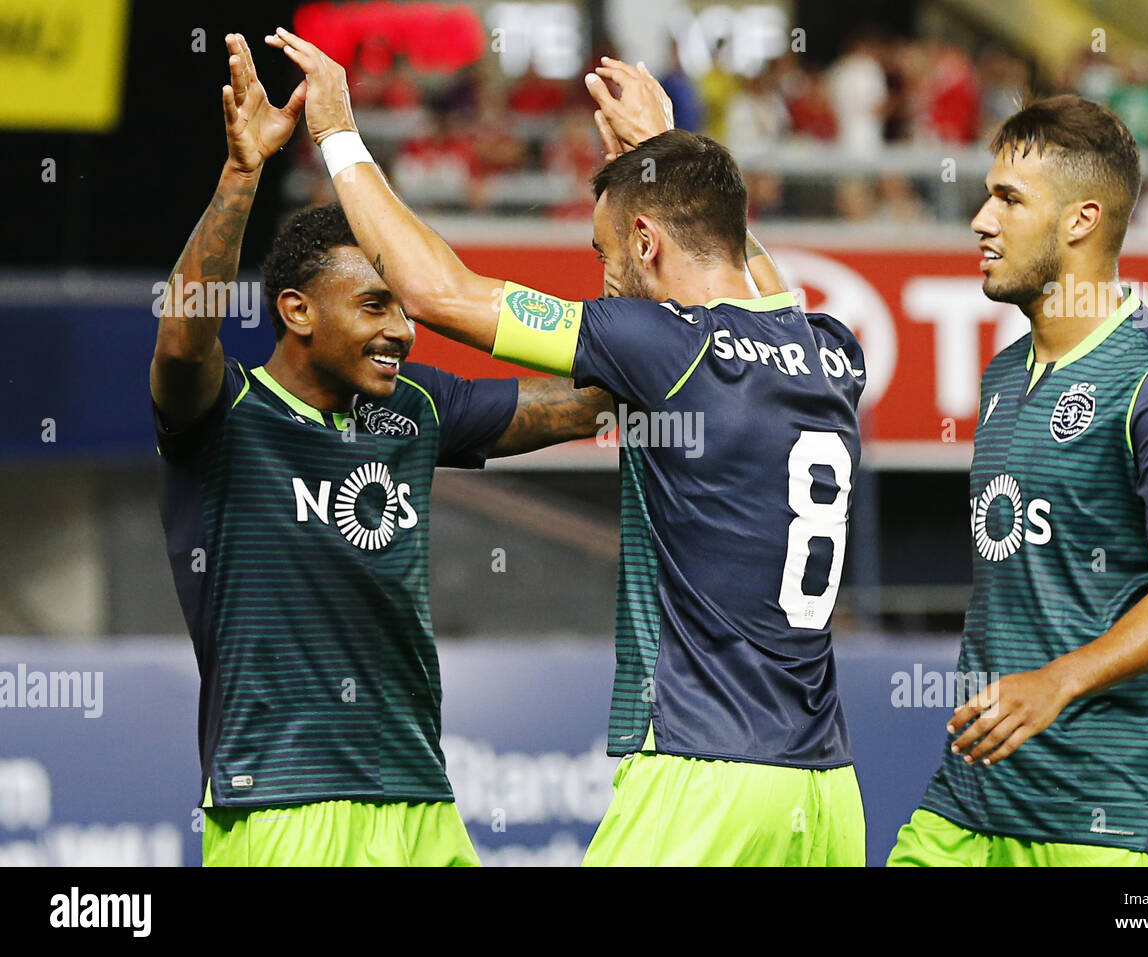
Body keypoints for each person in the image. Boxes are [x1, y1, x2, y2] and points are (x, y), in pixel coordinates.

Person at [269, 26, 869, 866]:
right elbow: (743, 262)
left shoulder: (662, 341)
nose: (604, 277)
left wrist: (337, 133)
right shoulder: (834, 347)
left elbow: (437, 292)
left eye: (606, 253)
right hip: (829, 790)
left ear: (648, 244)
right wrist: (664, 150)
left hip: (704, 777)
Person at [153, 34, 610, 866]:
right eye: (373, 306)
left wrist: (645, 291)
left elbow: (580, 406)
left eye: (401, 306)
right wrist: (241, 178)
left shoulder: (415, 406)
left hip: (422, 800)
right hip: (284, 801)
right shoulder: (226, 417)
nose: (401, 328)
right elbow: (183, 343)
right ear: (296, 312)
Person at [888, 95, 1148, 866]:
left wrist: (1056, 682)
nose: (980, 220)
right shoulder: (1003, 374)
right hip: (973, 799)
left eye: (1008, 199)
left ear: (1080, 220)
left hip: (1110, 820)